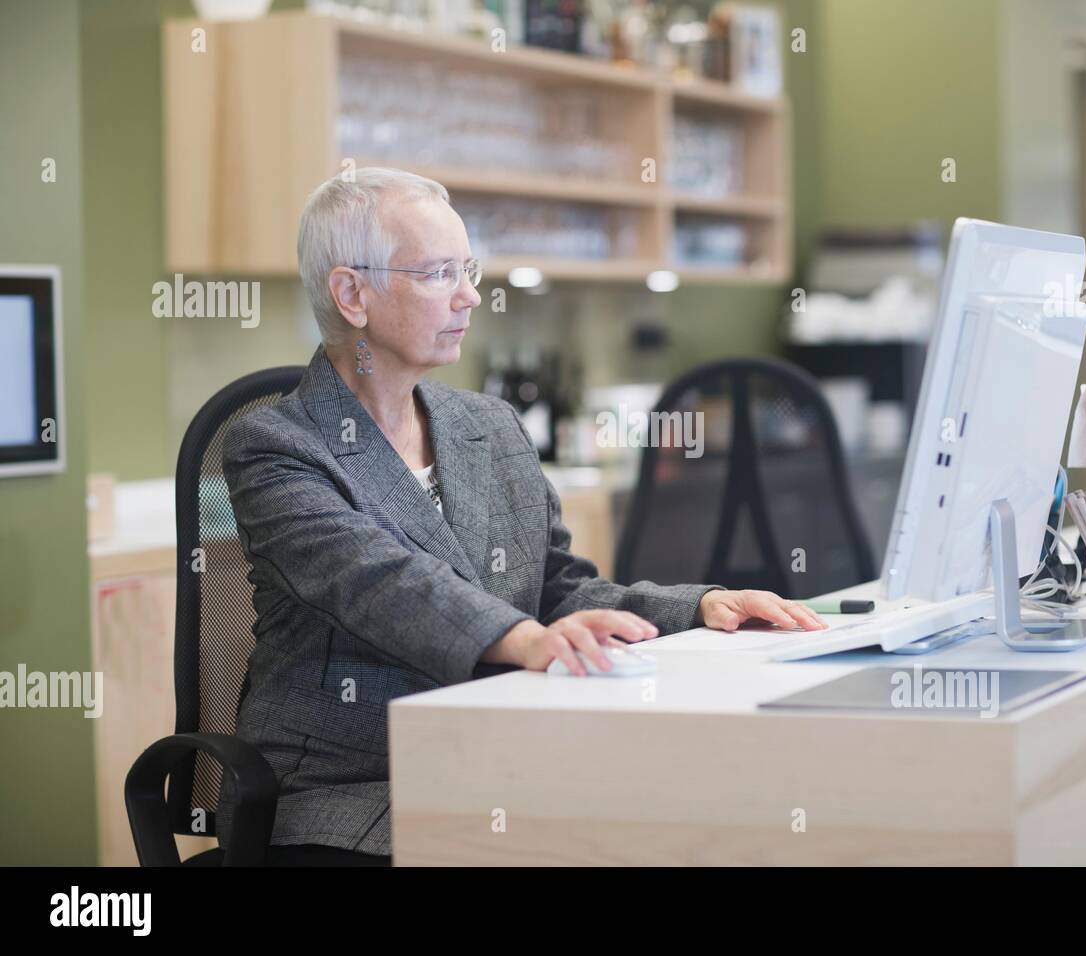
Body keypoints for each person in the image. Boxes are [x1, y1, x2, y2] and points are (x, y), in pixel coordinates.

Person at [216, 167, 826, 863]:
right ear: (352, 294)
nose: (469, 296)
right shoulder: (274, 447)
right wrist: (527, 639)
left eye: (467, 269)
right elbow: (381, 584)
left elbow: (560, 590)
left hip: (498, 751)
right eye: (439, 273)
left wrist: (699, 607)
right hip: (353, 782)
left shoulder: (491, 427)